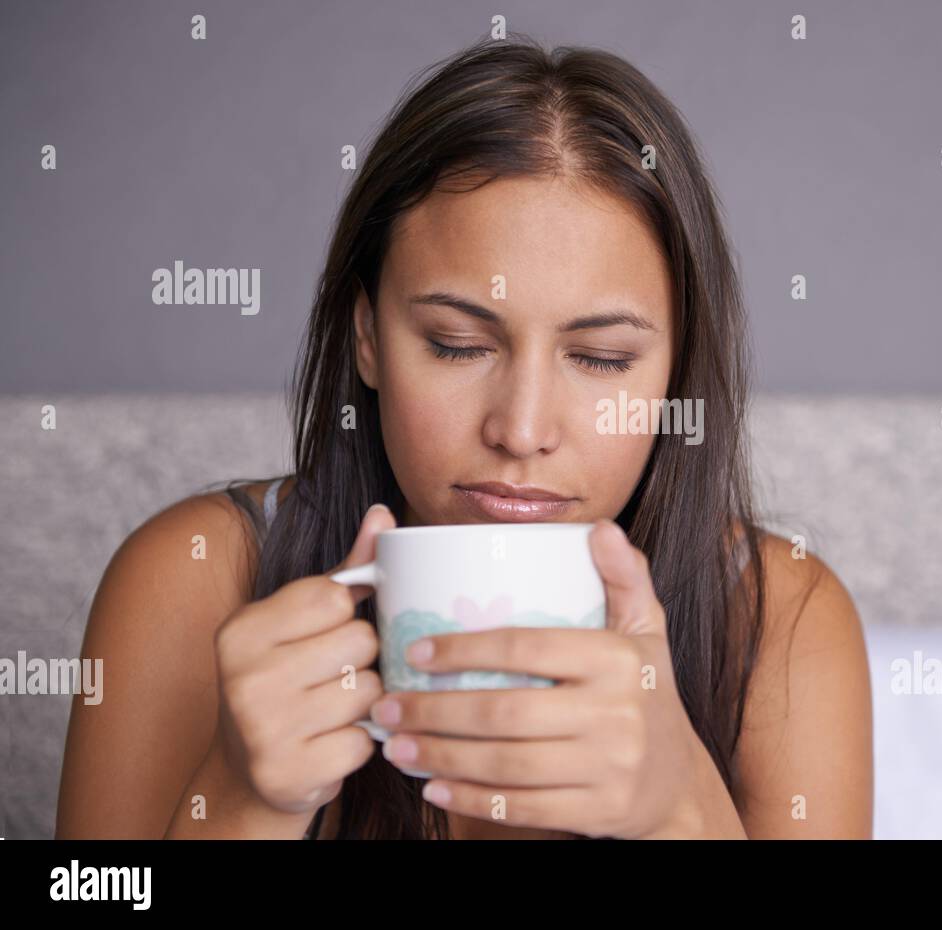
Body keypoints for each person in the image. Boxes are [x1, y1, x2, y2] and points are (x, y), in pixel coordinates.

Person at [55, 35, 872, 840]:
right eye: (456, 345)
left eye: (601, 358)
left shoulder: (778, 620)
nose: (521, 430)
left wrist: (682, 811)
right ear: (367, 337)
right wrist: (240, 801)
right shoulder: (193, 580)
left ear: (674, 374)